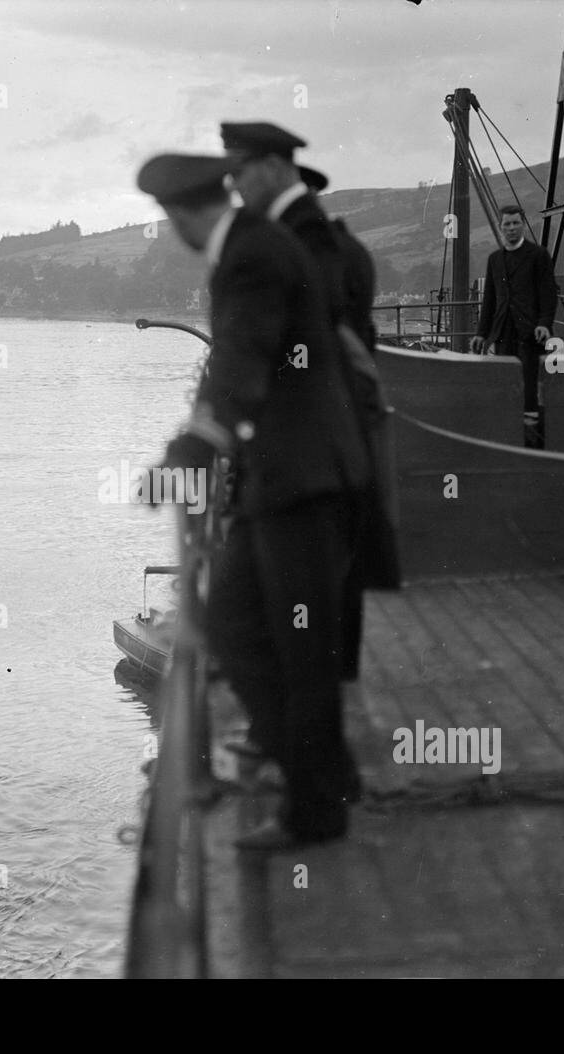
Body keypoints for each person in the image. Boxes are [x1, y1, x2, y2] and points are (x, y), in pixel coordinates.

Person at [136, 153, 367, 850]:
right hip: (282, 476)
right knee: (235, 624)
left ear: (181, 215)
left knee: (294, 646)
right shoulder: (252, 246)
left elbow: (243, 354)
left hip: (303, 478)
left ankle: (316, 810)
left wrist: (196, 444)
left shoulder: (250, 256)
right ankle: (321, 771)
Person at [221, 120, 398, 694]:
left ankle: (318, 705)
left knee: (310, 584)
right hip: (340, 431)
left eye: (239, 171)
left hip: (315, 439)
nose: (234, 187)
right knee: (333, 572)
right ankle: (333, 679)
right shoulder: (339, 245)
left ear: (275, 169)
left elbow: (330, 340)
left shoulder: (305, 245)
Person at [471, 206, 558, 448]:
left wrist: (544, 324)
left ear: (523, 224)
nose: (511, 228)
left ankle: (531, 443)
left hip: (530, 334)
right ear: (500, 228)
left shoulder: (538, 255)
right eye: (506, 224)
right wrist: (481, 333)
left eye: (515, 223)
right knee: (507, 384)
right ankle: (509, 437)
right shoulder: (494, 260)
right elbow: (489, 300)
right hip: (503, 334)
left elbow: (548, 294)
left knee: (530, 387)